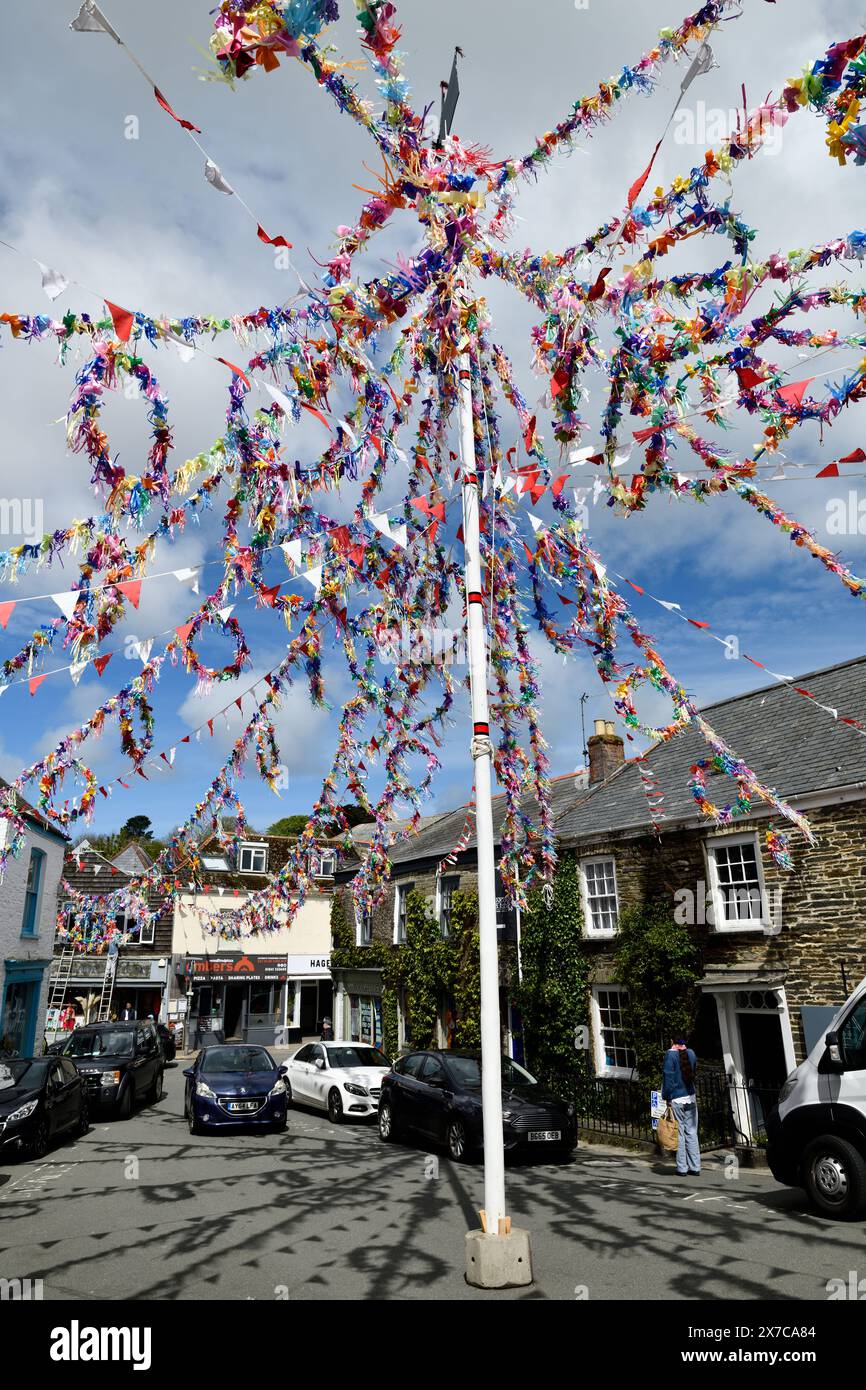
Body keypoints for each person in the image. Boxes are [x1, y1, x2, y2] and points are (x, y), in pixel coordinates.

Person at [662, 1036, 700, 1176]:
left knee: (680, 1134)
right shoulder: (691, 1053)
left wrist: (666, 1097)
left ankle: (682, 1168)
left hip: (677, 1099)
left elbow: (668, 1078)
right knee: (691, 1132)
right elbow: (693, 1070)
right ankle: (695, 1167)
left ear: (672, 1041)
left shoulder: (670, 1056)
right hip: (691, 1097)